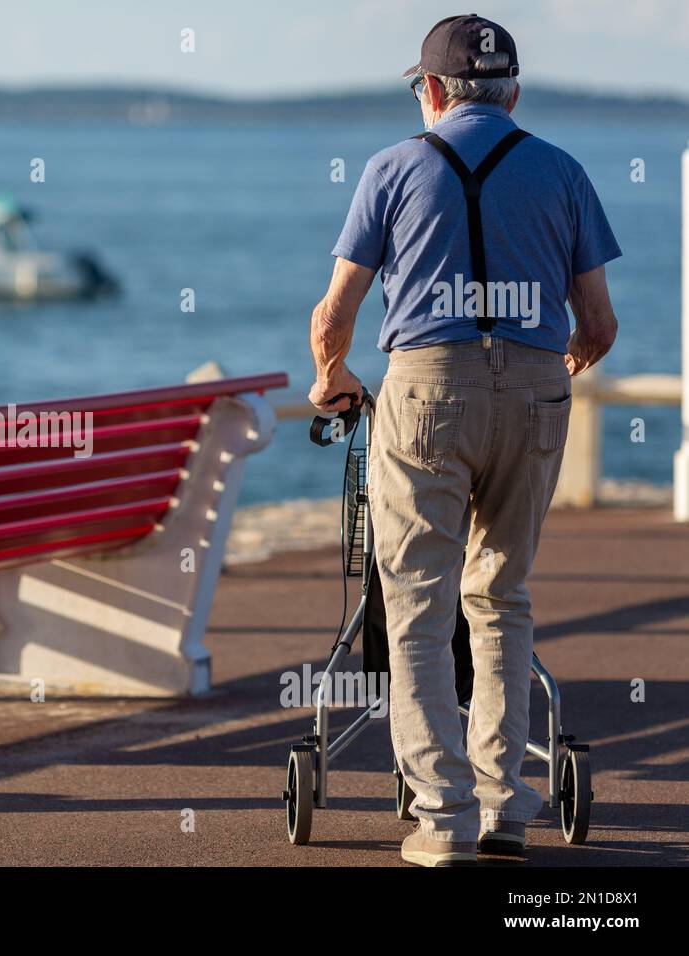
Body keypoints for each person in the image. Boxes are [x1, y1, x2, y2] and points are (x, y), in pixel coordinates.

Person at [307, 15, 619, 865]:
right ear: (511, 92)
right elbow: (598, 323)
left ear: (433, 91)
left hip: (425, 392)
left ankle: (440, 820)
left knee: (415, 603)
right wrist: (549, 368)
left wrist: (330, 376)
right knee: (502, 596)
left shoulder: (394, 167)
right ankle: (505, 809)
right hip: (533, 393)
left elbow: (336, 312)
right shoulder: (563, 171)